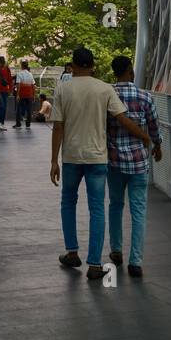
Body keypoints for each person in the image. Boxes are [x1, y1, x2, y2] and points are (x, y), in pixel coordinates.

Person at [50, 46, 151, 280]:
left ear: (72, 66)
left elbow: (58, 127)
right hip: (97, 158)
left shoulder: (63, 89)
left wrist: (53, 160)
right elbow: (122, 119)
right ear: (93, 66)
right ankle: (95, 264)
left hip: (71, 157)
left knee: (68, 202)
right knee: (96, 208)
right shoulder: (104, 89)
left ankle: (72, 252)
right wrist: (144, 136)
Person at [107, 55, 163, 278]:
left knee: (115, 205)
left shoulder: (107, 95)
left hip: (113, 161)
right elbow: (154, 125)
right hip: (139, 161)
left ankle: (116, 250)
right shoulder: (144, 96)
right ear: (130, 71)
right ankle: (136, 261)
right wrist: (157, 145)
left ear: (114, 72)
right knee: (138, 211)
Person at [14, 60, 36, 128]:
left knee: (19, 108)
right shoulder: (30, 74)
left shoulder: (19, 74)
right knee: (29, 109)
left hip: (21, 94)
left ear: (22, 66)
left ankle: (18, 123)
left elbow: (18, 85)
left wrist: (17, 95)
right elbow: (33, 85)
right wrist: (34, 95)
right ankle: (28, 124)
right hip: (29, 94)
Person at [0, 55, 13, 130]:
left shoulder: (7, 69)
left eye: (3, 62)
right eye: (1, 62)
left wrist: (10, 90)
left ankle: (1, 123)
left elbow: (10, 80)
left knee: (4, 107)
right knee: (2, 106)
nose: (2, 64)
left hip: (5, 90)